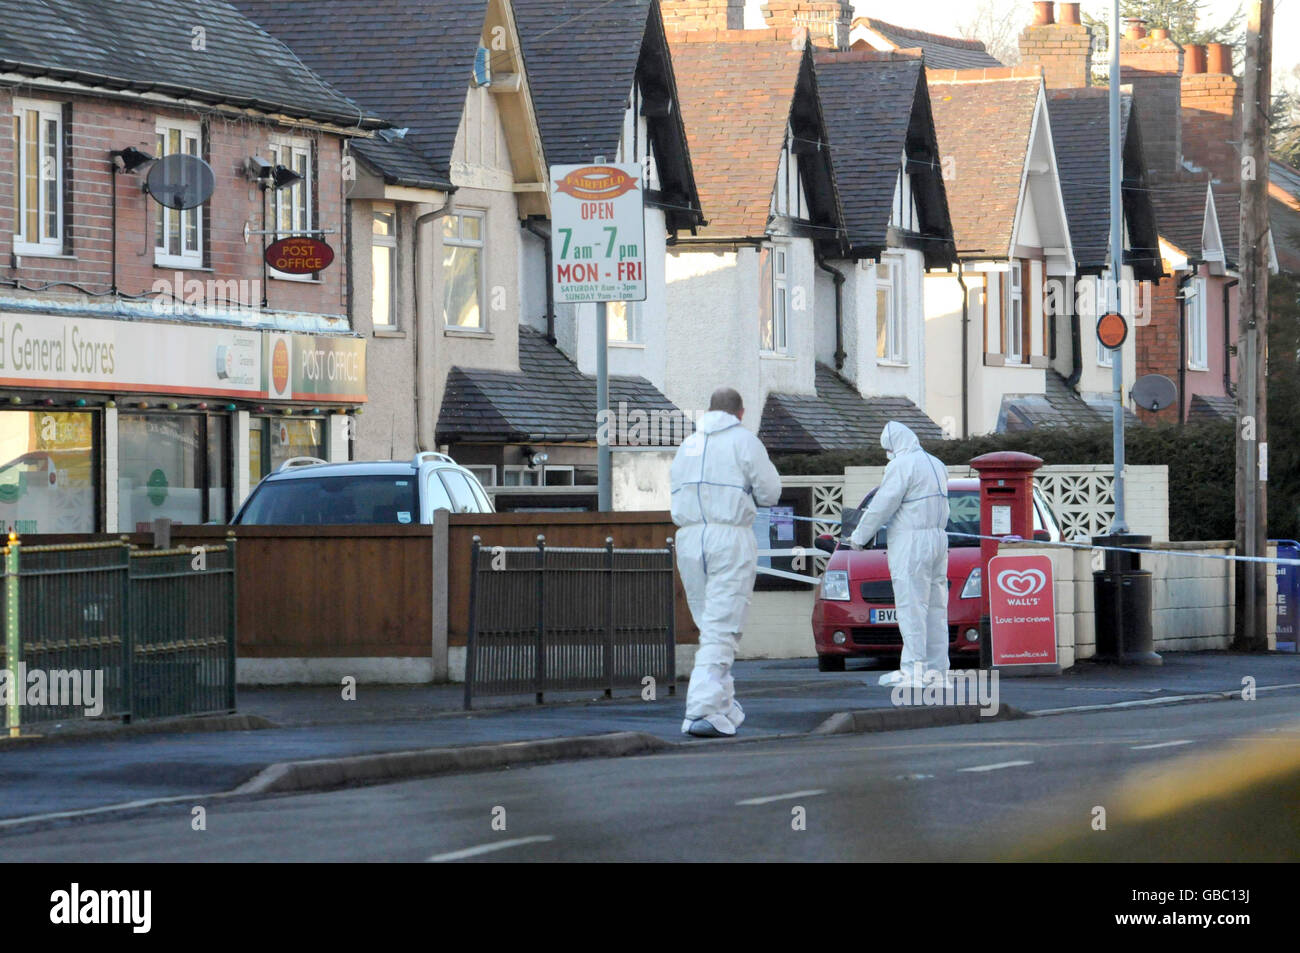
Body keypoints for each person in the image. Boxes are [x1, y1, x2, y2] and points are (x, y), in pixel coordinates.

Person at [671, 387, 782, 738]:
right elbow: (771, 493)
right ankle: (701, 710)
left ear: (708, 409)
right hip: (729, 537)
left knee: (709, 625)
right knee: (723, 627)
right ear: (741, 412)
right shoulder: (745, 442)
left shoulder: (687, 445)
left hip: (688, 539)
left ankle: (723, 704)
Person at [848, 421, 950, 688]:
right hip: (939, 540)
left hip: (911, 541)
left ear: (895, 446)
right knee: (936, 609)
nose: (887, 455)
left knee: (911, 607)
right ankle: (937, 672)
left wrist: (858, 537)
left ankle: (913, 672)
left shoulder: (901, 465)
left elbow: (882, 505)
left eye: (887, 449)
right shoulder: (937, 464)